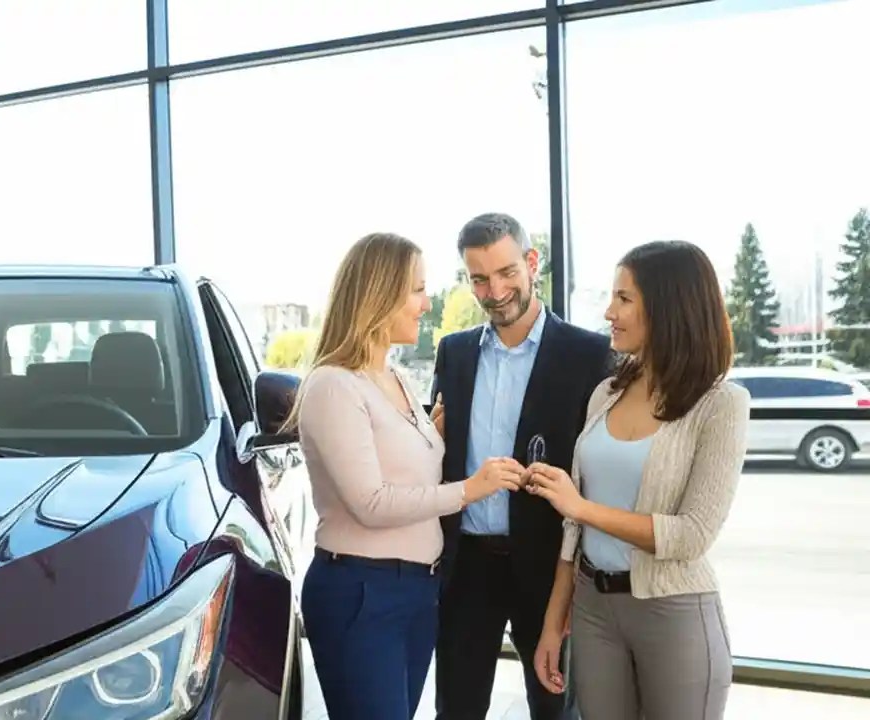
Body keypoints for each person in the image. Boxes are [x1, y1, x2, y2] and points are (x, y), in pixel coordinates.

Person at [288, 232, 525, 720]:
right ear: (380, 294)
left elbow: (399, 461)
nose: (426, 302)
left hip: (417, 590)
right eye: (417, 289)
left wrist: (430, 437)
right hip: (363, 593)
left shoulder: (397, 379)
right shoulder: (333, 386)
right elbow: (371, 502)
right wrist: (470, 490)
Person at [526, 240, 747, 720]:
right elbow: (573, 530)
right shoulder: (606, 392)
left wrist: (579, 507)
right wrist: (552, 622)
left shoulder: (721, 404)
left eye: (624, 298)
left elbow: (690, 534)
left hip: (673, 611)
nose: (609, 312)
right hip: (592, 607)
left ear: (668, 307)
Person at [430, 212, 613, 720]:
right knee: (457, 707)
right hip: (467, 565)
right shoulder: (455, 353)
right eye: (480, 278)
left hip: (549, 566)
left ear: (532, 264)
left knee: (555, 707)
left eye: (507, 272)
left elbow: (598, 471)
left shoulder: (590, 354)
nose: (495, 290)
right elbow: (438, 456)